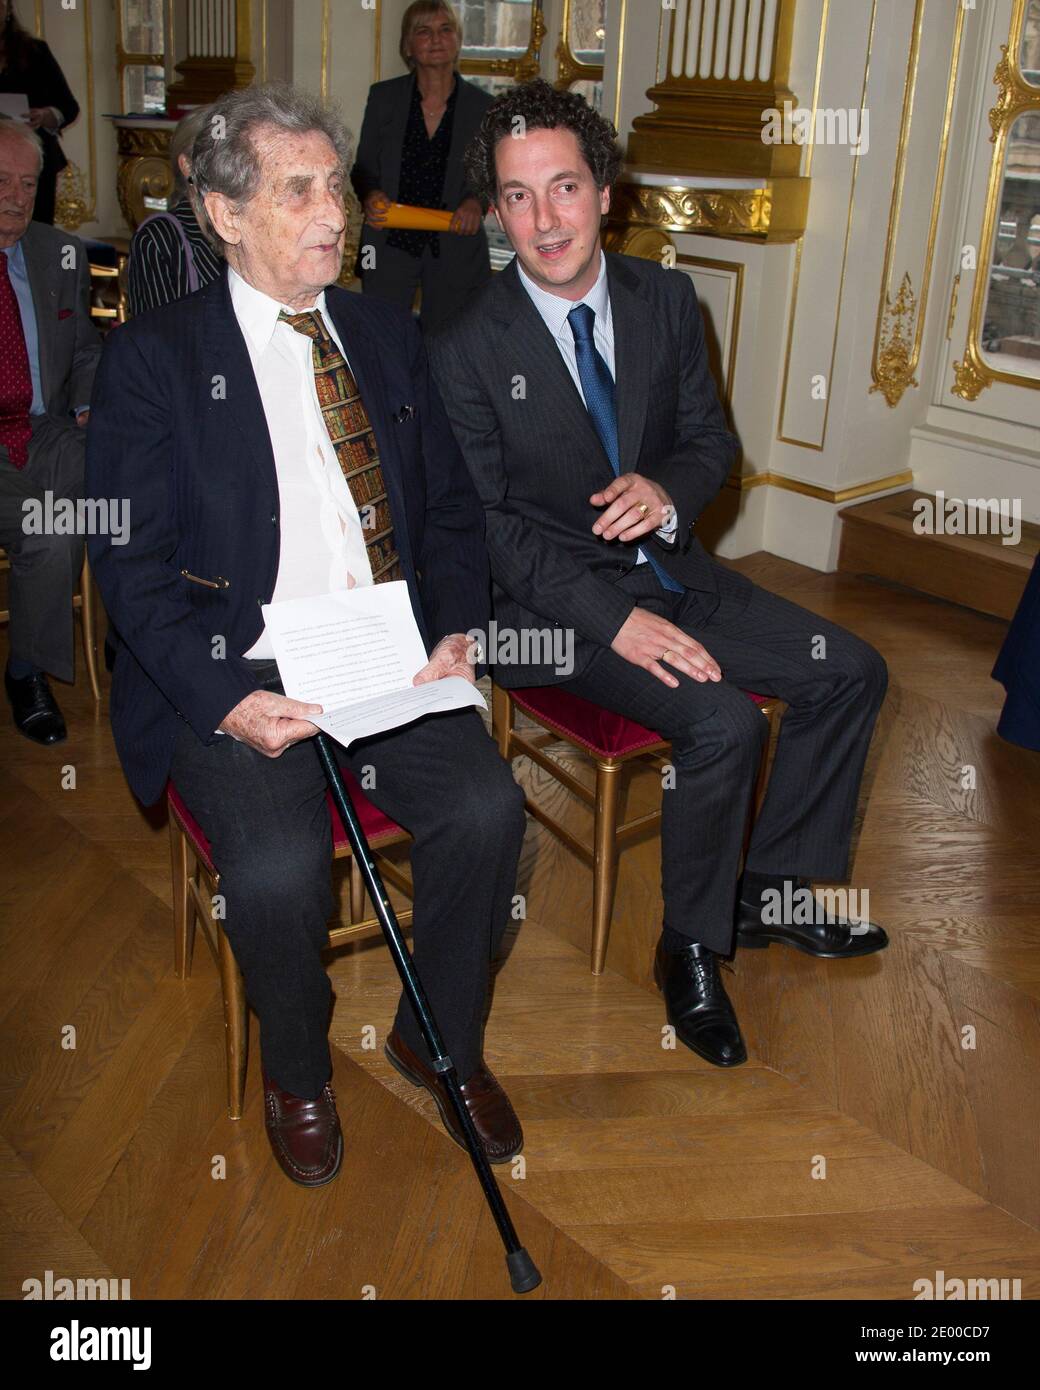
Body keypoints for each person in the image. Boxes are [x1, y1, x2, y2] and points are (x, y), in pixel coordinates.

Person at [86, 84, 526, 1188]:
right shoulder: (156, 359)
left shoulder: (384, 333)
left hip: (385, 648)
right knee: (280, 871)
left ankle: (439, 1038)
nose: (335, 212)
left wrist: (457, 631)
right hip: (236, 663)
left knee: (488, 810)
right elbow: (130, 567)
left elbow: (452, 511)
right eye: (299, 191)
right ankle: (298, 1067)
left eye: (336, 186)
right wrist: (227, 699)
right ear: (225, 214)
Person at [428, 80, 890, 1071]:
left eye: (563, 187)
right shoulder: (465, 347)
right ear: (496, 212)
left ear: (605, 191)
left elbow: (710, 441)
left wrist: (667, 491)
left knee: (851, 669)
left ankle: (771, 893)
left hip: (675, 573)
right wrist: (612, 622)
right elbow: (492, 530)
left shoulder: (665, 300)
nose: (545, 219)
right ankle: (687, 948)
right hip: (545, 616)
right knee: (722, 724)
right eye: (517, 196)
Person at [0, 116, 98, 745]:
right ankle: (25, 671)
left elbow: (86, 348)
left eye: (28, 183)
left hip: (45, 430)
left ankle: (142, 640)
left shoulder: (59, 252)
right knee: (54, 532)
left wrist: (88, 405)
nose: (17, 196)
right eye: (1, 182)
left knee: (137, 476)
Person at [350, 0, 492, 333]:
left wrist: (476, 202)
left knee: (450, 342)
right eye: (424, 31)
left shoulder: (484, 106)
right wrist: (371, 194)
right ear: (408, 45)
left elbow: (492, 173)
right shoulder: (383, 97)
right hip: (389, 241)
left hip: (456, 242)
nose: (436, 39)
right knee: (383, 338)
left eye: (445, 29)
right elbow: (363, 167)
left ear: (458, 40)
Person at [127, 104, 221, 317]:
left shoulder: (245, 226)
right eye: (217, 157)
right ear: (187, 166)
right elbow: (155, 330)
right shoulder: (158, 237)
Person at [0, 0, 78, 226]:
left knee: (35, 228)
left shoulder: (35, 52)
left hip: (34, 158)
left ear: (7, 10)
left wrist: (45, 115)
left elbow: (69, 107)